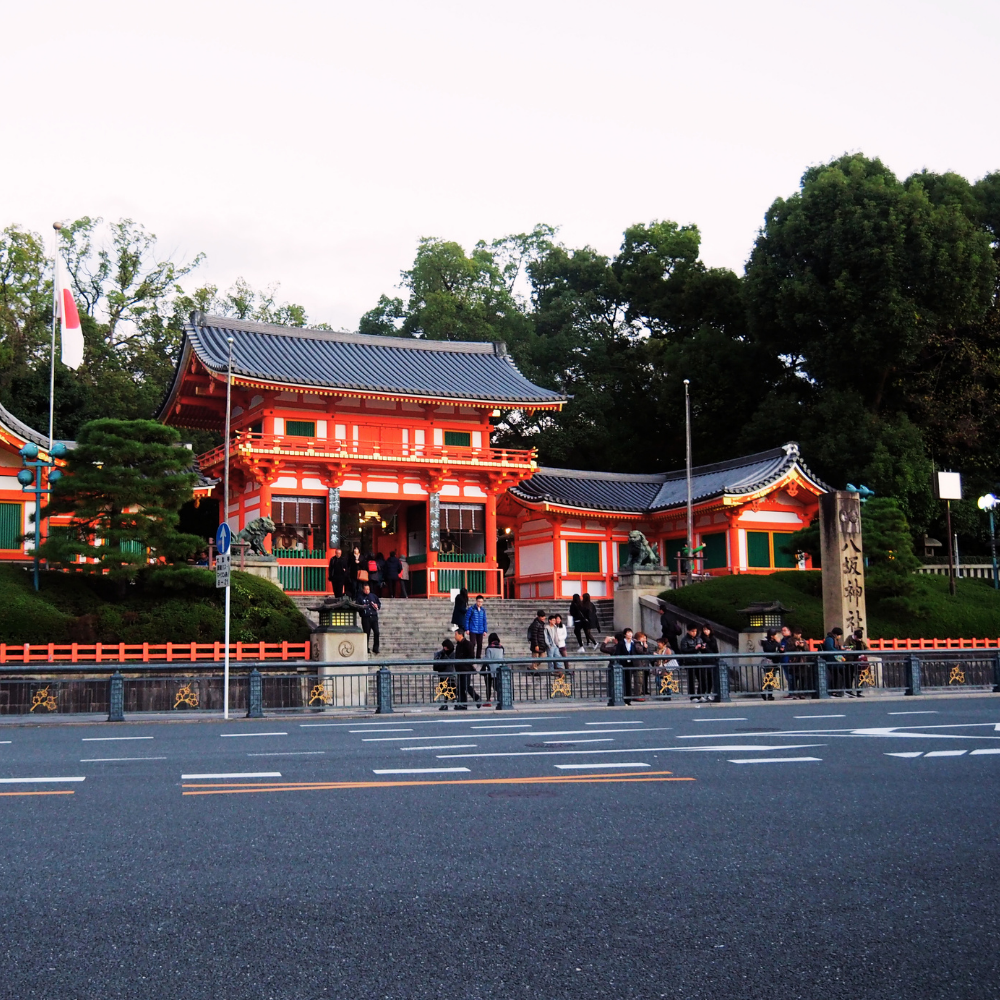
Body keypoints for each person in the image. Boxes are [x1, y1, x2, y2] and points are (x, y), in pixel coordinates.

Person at [452, 627, 480, 708]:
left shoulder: (468, 644)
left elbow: (471, 656)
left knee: (466, 685)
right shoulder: (458, 645)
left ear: (460, 635)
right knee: (460, 687)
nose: (455, 636)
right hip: (459, 669)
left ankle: (477, 698)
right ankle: (463, 704)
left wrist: (463, 662)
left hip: (466, 669)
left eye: (456, 634)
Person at [680, 624, 707, 701]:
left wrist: (703, 648)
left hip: (699, 661)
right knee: (691, 680)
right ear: (688, 631)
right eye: (692, 631)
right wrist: (694, 649)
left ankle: (700, 695)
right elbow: (684, 650)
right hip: (690, 662)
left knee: (702, 679)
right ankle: (692, 696)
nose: (694, 633)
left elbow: (702, 648)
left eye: (695, 631)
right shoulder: (684, 640)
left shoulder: (699, 639)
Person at [615, 627, 637, 705]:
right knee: (623, 681)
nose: (630, 634)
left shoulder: (633, 643)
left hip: (630, 664)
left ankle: (628, 699)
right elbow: (617, 653)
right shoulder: (621, 643)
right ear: (625, 634)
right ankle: (622, 698)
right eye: (628, 633)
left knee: (629, 681)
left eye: (631, 632)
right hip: (623, 664)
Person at [433, 637, 456, 710]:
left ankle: (454, 702)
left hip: (450, 675)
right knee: (444, 690)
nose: (444, 648)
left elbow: (451, 662)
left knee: (452, 690)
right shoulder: (440, 654)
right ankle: (446, 704)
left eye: (445, 647)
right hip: (443, 674)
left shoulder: (453, 654)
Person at [822, 626, 846, 695]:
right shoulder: (829, 639)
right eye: (839, 635)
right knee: (837, 675)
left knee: (837, 675)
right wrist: (840, 652)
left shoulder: (833, 639)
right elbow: (830, 649)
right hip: (832, 660)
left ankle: (837, 690)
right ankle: (835, 690)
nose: (840, 637)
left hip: (835, 659)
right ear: (835, 634)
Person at [359, 582, 381, 655]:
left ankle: (376, 648)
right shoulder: (360, 597)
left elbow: (379, 603)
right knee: (366, 633)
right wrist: (362, 608)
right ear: (363, 590)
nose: (367, 591)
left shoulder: (373, 596)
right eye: (365, 589)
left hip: (374, 616)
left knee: (376, 632)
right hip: (366, 617)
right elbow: (357, 606)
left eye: (368, 589)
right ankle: (366, 648)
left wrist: (377, 606)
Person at [482, 632, 504, 704]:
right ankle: (501, 698)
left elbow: (487, 659)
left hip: (490, 669)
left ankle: (488, 700)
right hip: (498, 669)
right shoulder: (501, 647)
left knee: (488, 686)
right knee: (497, 686)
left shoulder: (489, 648)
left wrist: (483, 659)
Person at [760, 628, 782, 701]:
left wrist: (781, 648)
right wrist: (777, 642)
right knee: (769, 677)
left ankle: (768, 693)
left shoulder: (776, 641)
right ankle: (765, 691)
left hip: (775, 662)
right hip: (768, 662)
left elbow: (781, 649)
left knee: (772, 678)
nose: (776, 636)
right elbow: (769, 649)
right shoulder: (765, 641)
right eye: (774, 635)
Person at [845, 627, 868, 697]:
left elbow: (866, 648)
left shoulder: (861, 641)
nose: (858, 639)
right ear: (854, 636)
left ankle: (859, 691)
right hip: (851, 660)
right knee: (850, 675)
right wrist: (850, 648)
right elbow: (845, 647)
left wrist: (864, 653)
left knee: (860, 676)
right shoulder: (849, 639)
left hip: (859, 660)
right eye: (857, 638)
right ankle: (848, 690)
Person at [465, 594, 488, 658]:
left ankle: (478, 657)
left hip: (480, 630)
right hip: (473, 629)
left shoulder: (483, 610)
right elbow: (467, 619)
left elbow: (484, 620)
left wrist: (485, 630)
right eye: (478, 601)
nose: (480, 603)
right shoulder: (471, 609)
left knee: (480, 645)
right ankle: (471, 657)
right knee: (472, 644)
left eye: (481, 602)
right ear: (476, 601)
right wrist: (467, 629)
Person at [632, 631, 651, 699]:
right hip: (638, 664)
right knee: (639, 681)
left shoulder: (638, 643)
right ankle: (638, 695)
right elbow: (640, 651)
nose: (644, 639)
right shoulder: (637, 643)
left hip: (641, 664)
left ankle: (640, 693)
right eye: (643, 637)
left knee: (640, 680)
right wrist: (644, 647)